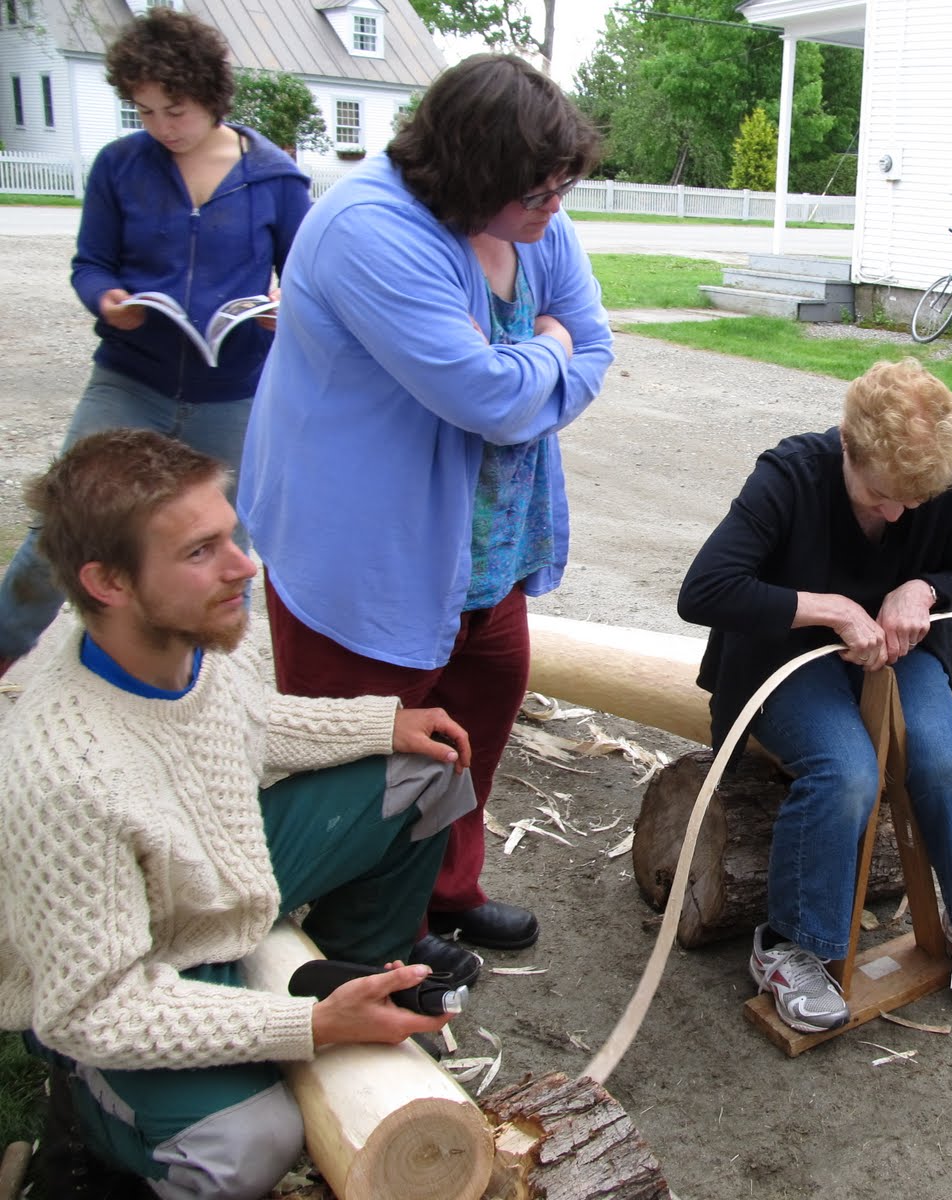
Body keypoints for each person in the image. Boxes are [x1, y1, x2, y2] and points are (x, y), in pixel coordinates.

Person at [0, 430, 478, 1200]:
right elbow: (91, 1008)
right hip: (123, 970)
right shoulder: (63, 773)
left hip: (208, 877)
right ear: (108, 582)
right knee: (247, 1144)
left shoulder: (190, 627)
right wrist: (308, 1028)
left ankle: (354, 992)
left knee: (427, 774)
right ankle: (87, 1129)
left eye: (231, 536)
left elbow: (240, 723)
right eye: (200, 552)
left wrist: (379, 726)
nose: (243, 567)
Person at [237, 55, 614, 982]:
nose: (555, 207)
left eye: (563, 186)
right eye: (537, 190)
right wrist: (549, 351)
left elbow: (593, 341)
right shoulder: (370, 228)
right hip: (366, 551)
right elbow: (486, 397)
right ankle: (370, 945)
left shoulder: (533, 226)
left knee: (475, 722)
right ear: (472, 173)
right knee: (365, 755)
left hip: (486, 545)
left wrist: (548, 354)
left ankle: (447, 891)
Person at [678, 358, 952, 1034]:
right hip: (788, 656)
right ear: (848, 448)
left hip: (897, 651)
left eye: (911, 502)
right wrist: (827, 607)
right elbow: (704, 591)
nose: (896, 513)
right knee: (848, 772)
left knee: (944, 763)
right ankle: (789, 946)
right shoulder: (791, 476)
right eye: (880, 496)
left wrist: (924, 590)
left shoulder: (935, 482)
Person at [0, 7, 309, 682]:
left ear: (209, 94)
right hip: (129, 377)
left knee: (227, 549)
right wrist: (106, 299)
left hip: (233, 392)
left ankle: (207, 689)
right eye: (144, 112)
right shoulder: (119, 166)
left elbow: (310, 279)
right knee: (58, 527)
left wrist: (285, 310)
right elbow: (91, 264)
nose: (162, 127)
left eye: (175, 110)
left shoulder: (275, 178)